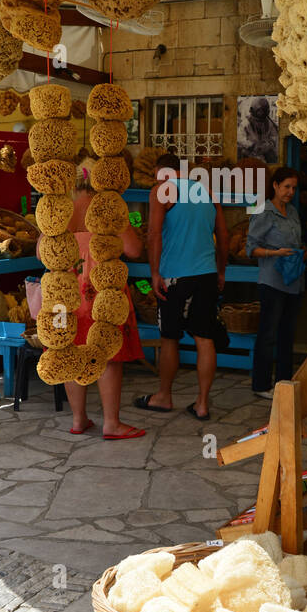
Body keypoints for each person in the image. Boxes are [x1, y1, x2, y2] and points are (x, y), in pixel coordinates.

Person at [25, 160, 147, 439]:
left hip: (62, 293)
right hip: (101, 291)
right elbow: (134, 248)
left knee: (68, 349)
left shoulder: (60, 211)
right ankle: (111, 424)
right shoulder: (109, 209)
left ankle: (79, 419)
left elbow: (40, 253)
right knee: (108, 354)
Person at [134, 150, 228, 421]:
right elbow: (222, 237)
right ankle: (202, 404)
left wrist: (154, 272)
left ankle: (163, 396)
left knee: (170, 338)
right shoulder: (208, 192)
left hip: (175, 276)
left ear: (160, 172)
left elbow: (153, 234)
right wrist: (220, 271)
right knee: (204, 337)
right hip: (207, 274)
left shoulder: (161, 191)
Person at [246, 165, 307, 398]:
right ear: (274, 186)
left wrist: (301, 251)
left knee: (287, 333)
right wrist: (275, 253)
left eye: (293, 188)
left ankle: (284, 383)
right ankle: (261, 385)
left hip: (293, 279)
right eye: (286, 187)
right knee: (268, 333)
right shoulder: (262, 210)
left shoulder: (292, 212)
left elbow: (296, 241)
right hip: (272, 280)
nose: (290, 192)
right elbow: (251, 248)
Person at [238, 96, 279, 164]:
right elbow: (240, 138)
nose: (259, 123)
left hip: (265, 152)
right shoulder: (246, 123)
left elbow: (274, 137)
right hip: (249, 152)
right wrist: (251, 145)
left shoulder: (269, 124)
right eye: (257, 121)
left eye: (261, 121)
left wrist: (267, 146)